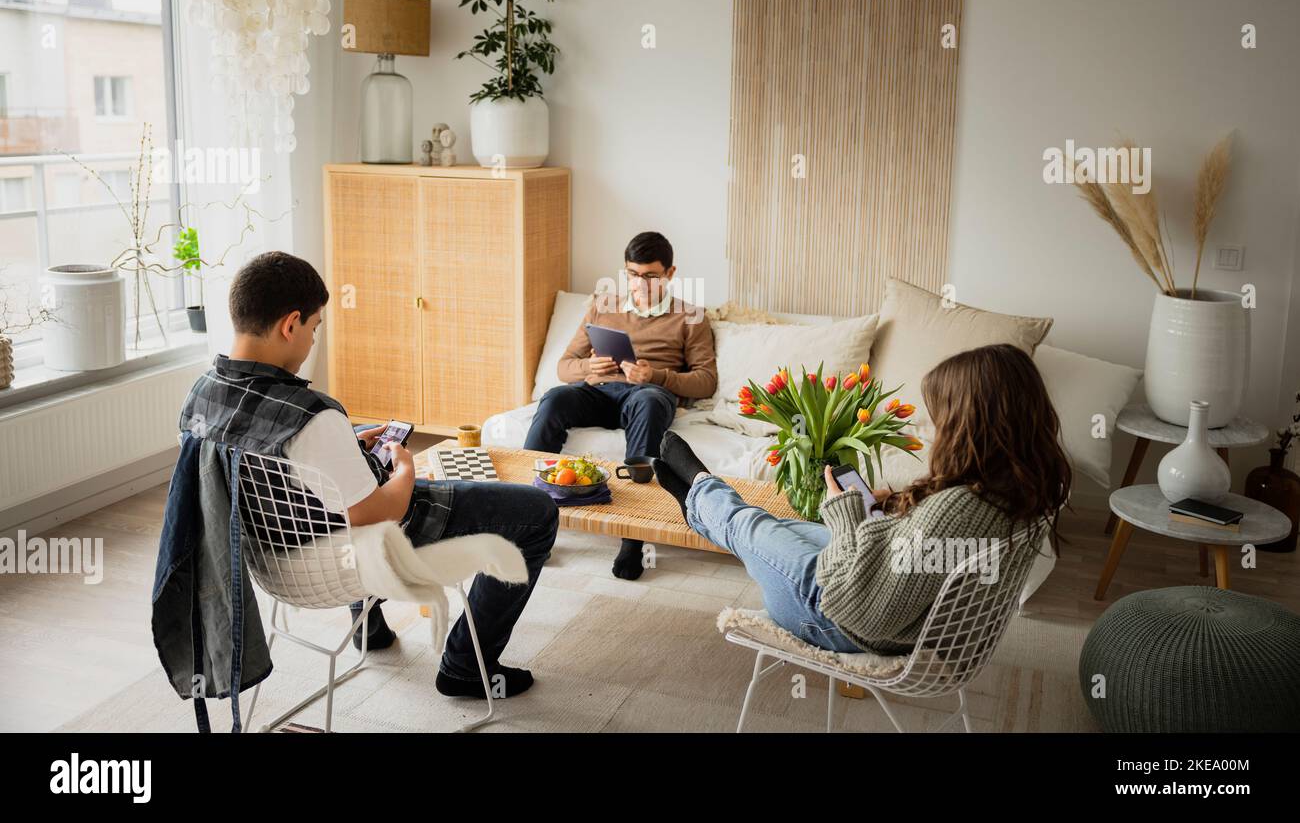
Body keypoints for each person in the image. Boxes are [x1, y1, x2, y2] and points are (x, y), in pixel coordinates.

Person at [177, 251, 557, 699]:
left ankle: (369, 629)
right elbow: (380, 510)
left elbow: (278, 472)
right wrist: (406, 466)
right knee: (537, 512)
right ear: (290, 324)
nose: (312, 342)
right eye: (315, 329)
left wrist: (346, 444)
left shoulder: (201, 396)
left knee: (362, 477)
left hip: (265, 561)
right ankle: (467, 667)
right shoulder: (312, 415)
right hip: (341, 559)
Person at [650, 344, 1070, 654]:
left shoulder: (957, 507)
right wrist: (892, 510)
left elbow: (860, 610)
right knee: (780, 526)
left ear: (971, 423)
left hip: (841, 623)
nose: (936, 430)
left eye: (941, 417)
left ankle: (701, 487)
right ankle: (703, 508)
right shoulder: (1021, 489)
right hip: (903, 611)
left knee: (752, 527)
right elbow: (919, 556)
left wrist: (848, 511)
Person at [524, 231, 717, 579]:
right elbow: (564, 366)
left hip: (647, 395)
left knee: (649, 401)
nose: (639, 284)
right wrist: (588, 367)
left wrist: (656, 375)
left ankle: (633, 537)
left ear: (670, 274)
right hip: (600, 391)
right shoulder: (603, 306)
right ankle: (527, 522)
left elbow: (706, 381)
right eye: (632, 274)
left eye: (650, 276)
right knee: (554, 399)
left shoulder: (691, 316)